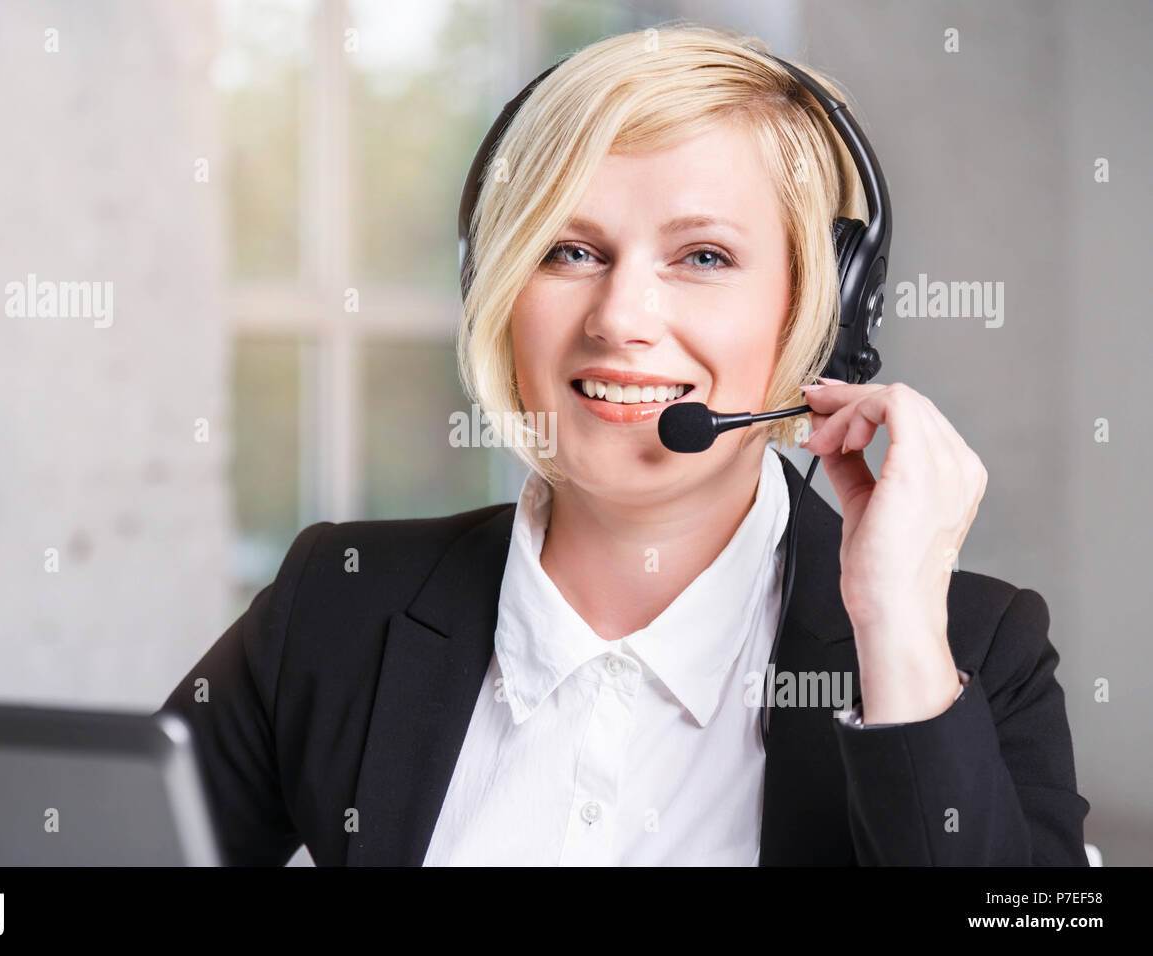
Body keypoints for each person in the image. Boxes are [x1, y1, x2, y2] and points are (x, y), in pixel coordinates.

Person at [160, 24, 1089, 866]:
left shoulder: (965, 652)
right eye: (569, 250)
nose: (620, 319)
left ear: (816, 311)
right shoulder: (340, 600)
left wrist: (895, 629)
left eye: (704, 257)